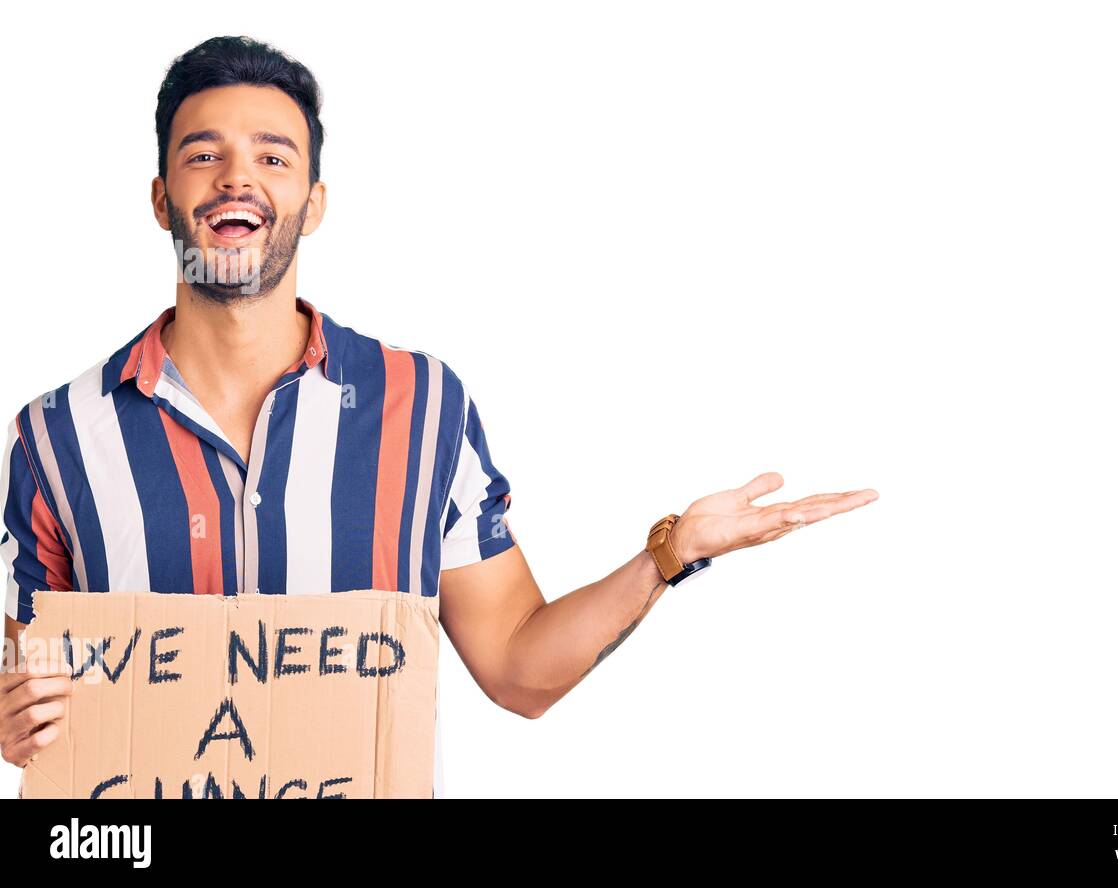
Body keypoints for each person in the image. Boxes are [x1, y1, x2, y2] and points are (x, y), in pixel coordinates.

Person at [0, 35, 878, 797]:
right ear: (161, 197)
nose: (239, 177)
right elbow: (24, 679)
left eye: (274, 156)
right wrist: (8, 717)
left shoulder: (422, 408)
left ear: (313, 201)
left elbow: (518, 670)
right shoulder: (56, 437)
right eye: (204, 154)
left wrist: (667, 556)